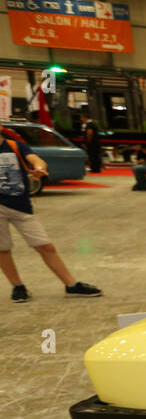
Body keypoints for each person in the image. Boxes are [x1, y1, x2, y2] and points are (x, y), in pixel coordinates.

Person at [0, 127, 101, 302]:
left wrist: (39, 168)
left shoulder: (15, 146)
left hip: (21, 206)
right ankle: (18, 287)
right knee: (2, 249)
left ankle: (71, 284)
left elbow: (36, 159)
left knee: (45, 246)